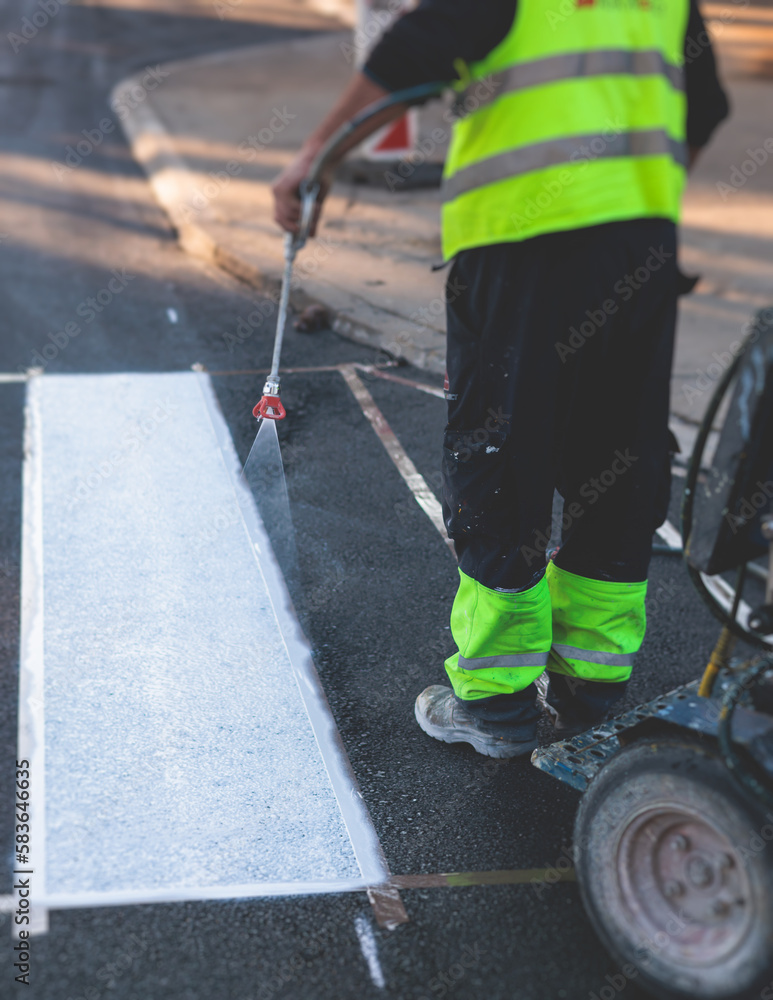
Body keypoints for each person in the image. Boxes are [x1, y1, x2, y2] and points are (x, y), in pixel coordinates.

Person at [272, 0, 730, 758]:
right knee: (618, 458)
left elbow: (407, 57)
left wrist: (309, 160)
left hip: (522, 246)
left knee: (501, 461)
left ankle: (496, 704)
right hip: (637, 251)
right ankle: (591, 689)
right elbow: (704, 105)